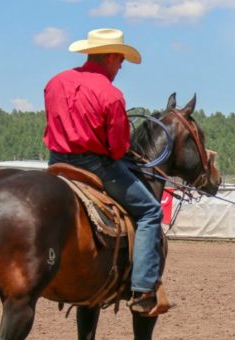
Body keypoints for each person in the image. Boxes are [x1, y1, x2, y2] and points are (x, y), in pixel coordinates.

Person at [43, 28, 164, 315]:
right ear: (110, 57)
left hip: (57, 162)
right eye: (120, 60)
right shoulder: (111, 94)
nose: (121, 66)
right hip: (94, 166)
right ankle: (143, 289)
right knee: (150, 212)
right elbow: (118, 148)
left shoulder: (55, 82)